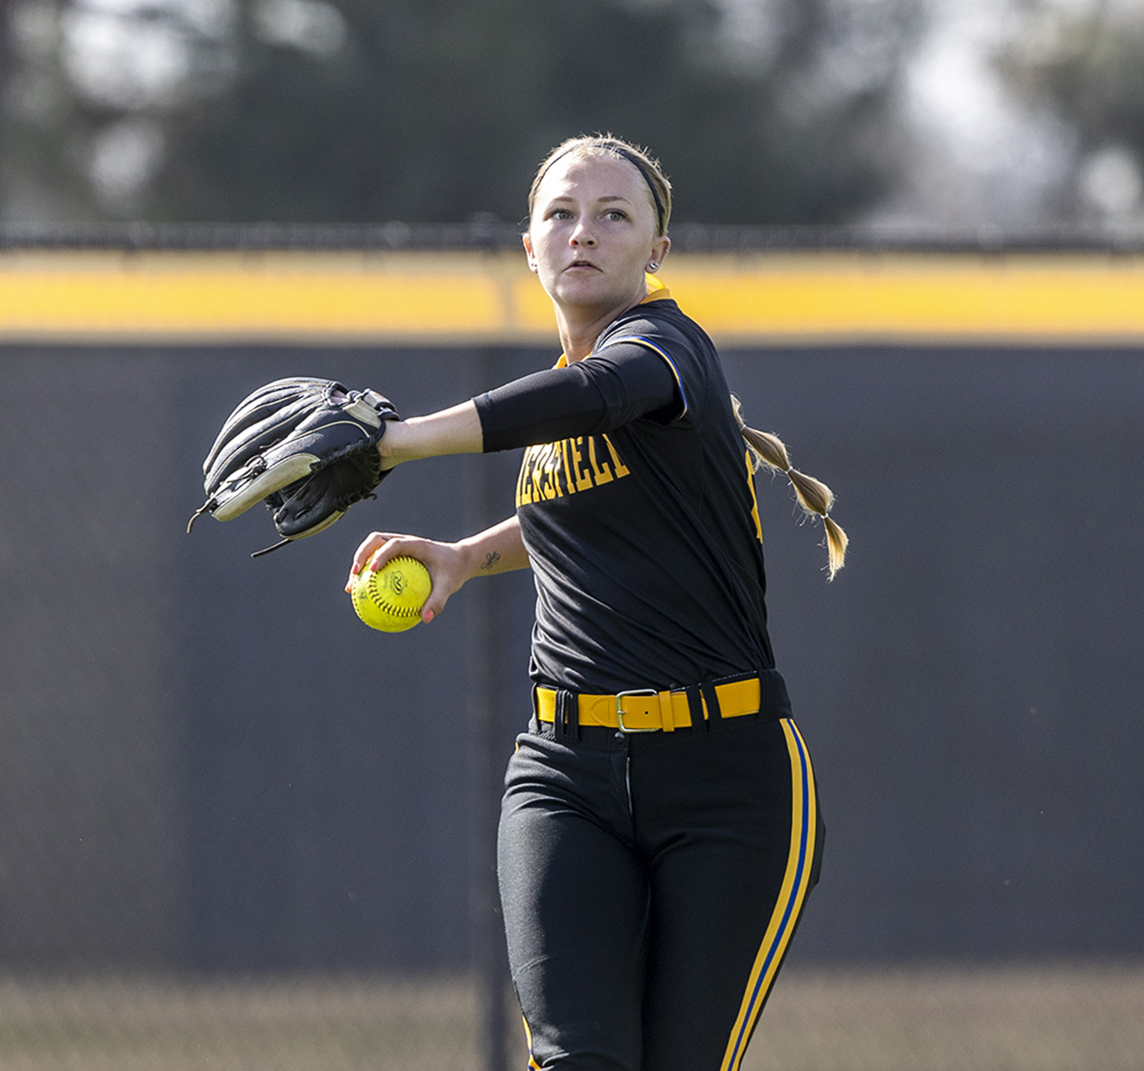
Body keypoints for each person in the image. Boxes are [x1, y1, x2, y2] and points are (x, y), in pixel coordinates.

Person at [345, 135, 842, 1071]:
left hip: (727, 778)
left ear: (657, 249)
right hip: (564, 775)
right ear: (529, 248)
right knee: (580, 1060)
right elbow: (585, 507)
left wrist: (396, 442)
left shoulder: (664, 349)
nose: (585, 234)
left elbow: (602, 397)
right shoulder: (573, 397)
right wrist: (462, 554)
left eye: (615, 215)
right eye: (561, 216)